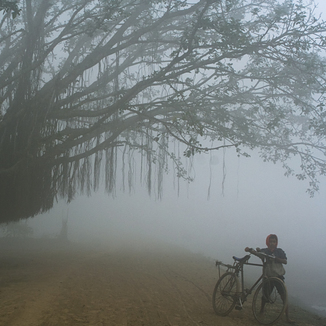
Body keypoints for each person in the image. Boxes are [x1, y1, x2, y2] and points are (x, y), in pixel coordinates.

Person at [245, 234, 294, 324]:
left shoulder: (279, 251)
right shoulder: (265, 251)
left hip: (279, 277)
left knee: (284, 297)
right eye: (270, 242)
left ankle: (287, 317)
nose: (272, 243)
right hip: (268, 277)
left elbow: (285, 261)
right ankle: (261, 311)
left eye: (274, 242)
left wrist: (276, 258)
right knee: (265, 296)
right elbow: (258, 253)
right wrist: (250, 250)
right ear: (268, 242)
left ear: (276, 243)